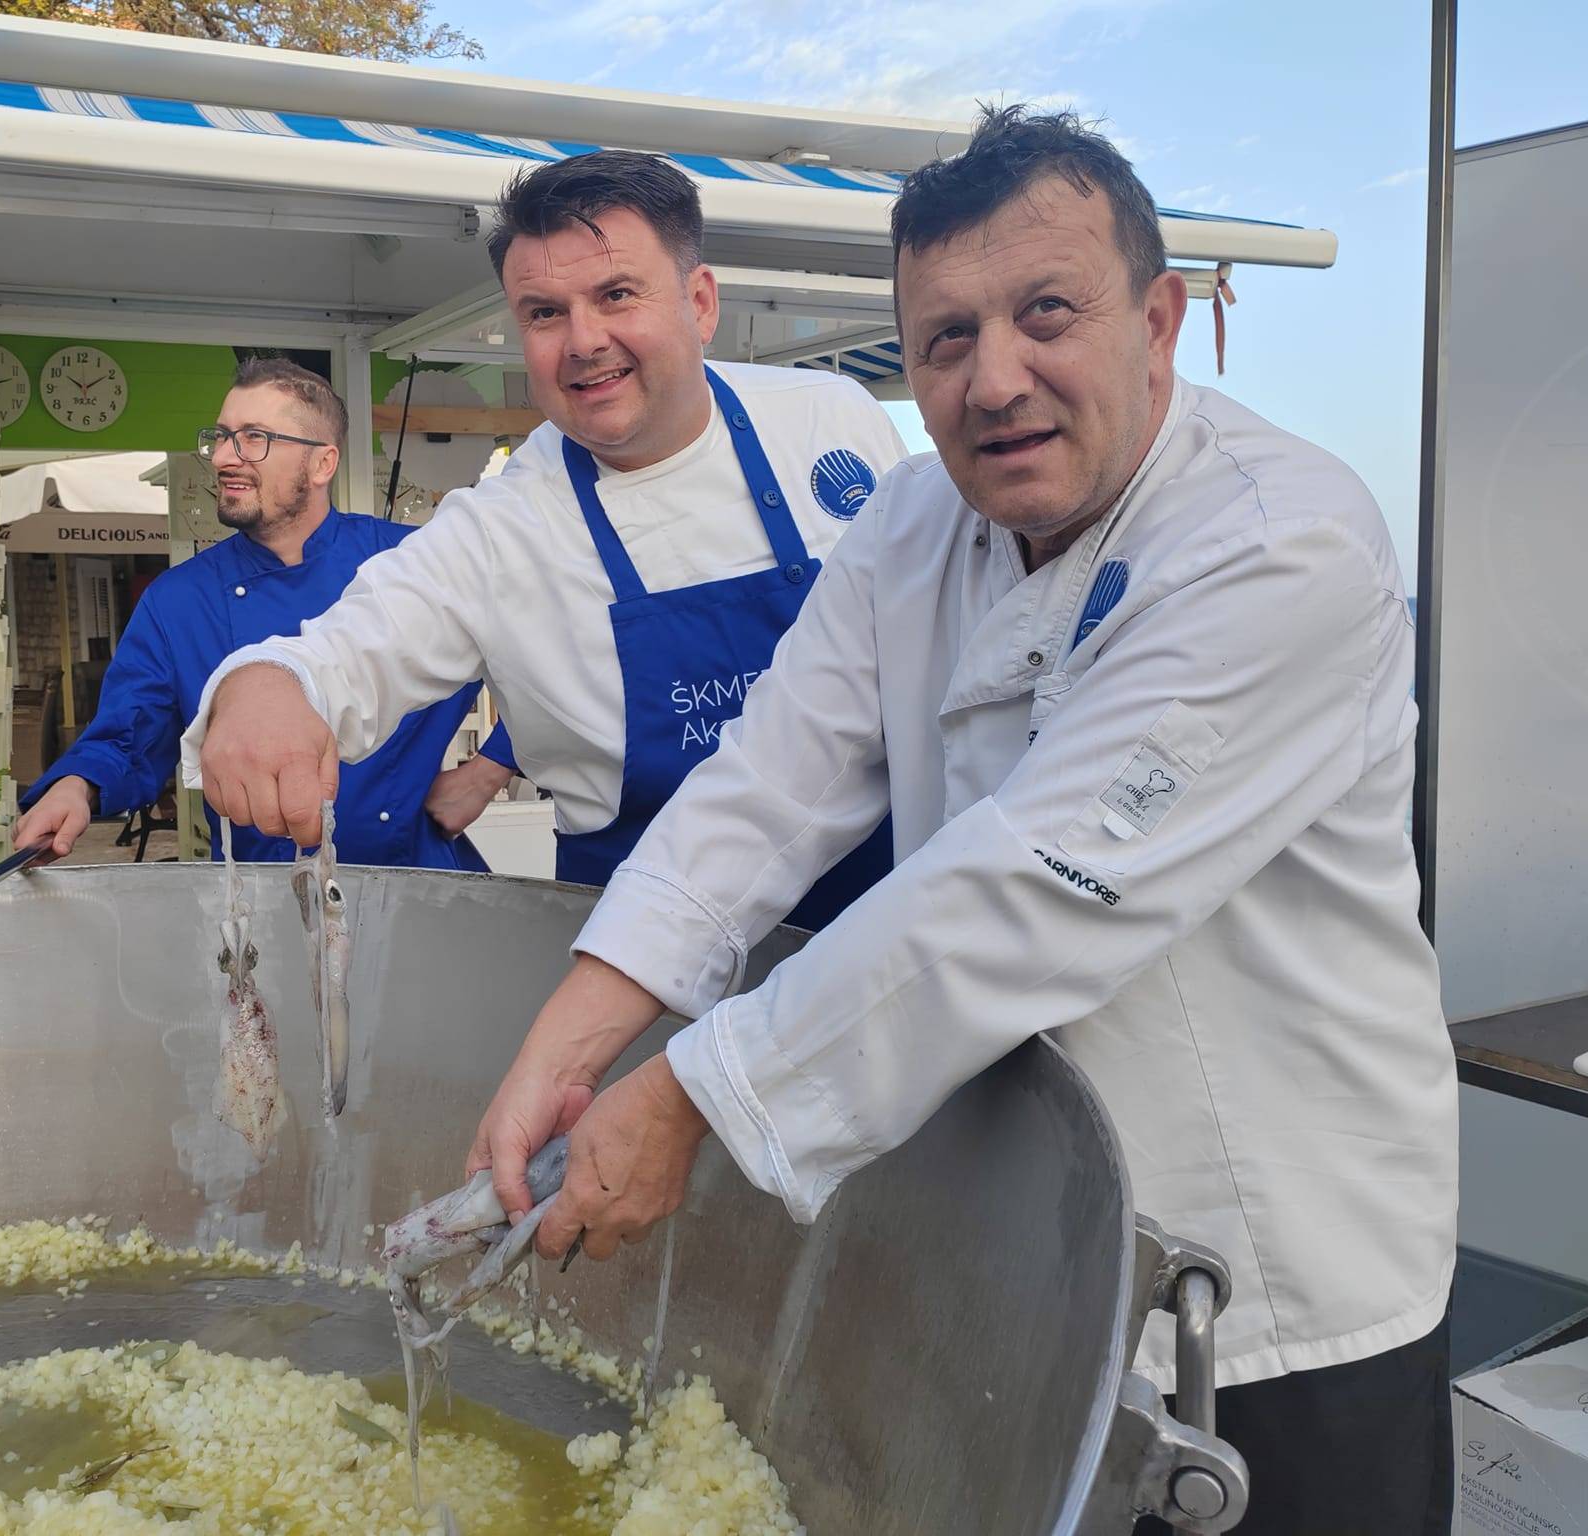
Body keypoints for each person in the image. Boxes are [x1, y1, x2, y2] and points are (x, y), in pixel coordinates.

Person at [468, 108, 1457, 1534]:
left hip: (1272, 1290)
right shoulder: (913, 525)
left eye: (1046, 313)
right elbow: (762, 789)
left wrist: (688, 1099)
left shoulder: (1275, 542)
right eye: (944, 339)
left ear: (1158, 320)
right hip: (1036, 1260)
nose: (994, 380)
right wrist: (559, 1052)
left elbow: (1027, 891)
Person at [182, 150, 909, 928]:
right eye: (543, 313)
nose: (583, 341)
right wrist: (265, 686)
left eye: (617, 294)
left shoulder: (832, 415)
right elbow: (345, 650)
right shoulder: (499, 530)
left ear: (699, 302)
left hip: (881, 917)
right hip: (646, 945)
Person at [13, 357, 503, 869]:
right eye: (221, 437)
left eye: (254, 438)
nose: (225, 457)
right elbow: (128, 734)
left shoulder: (412, 563)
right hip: (255, 895)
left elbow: (542, 642)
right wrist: (74, 787)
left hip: (415, 878)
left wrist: (488, 771)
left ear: (322, 464)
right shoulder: (178, 600)